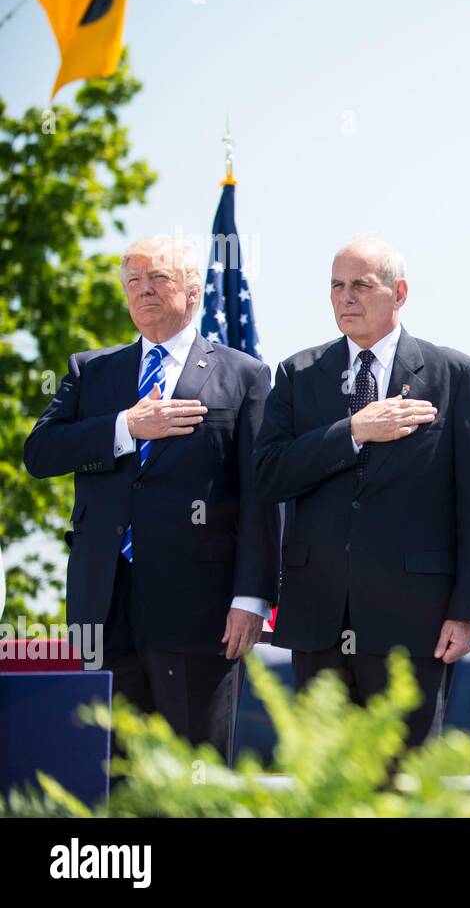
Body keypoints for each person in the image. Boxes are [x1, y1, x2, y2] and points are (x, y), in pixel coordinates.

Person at [24, 235, 277, 761]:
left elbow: (260, 495)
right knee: (113, 775)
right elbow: (40, 453)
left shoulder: (244, 375)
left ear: (191, 289)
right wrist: (126, 426)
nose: (144, 291)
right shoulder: (91, 371)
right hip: (104, 606)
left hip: (200, 611)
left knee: (193, 774)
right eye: (133, 281)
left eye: (157, 278)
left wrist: (251, 598)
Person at [253, 237, 470, 745]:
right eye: (336, 287)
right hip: (318, 618)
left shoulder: (455, 375)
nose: (346, 298)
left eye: (361, 285)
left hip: (416, 624)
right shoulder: (298, 374)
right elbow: (269, 475)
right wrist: (353, 431)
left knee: (402, 783)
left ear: (400, 292)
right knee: (325, 786)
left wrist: (466, 611)